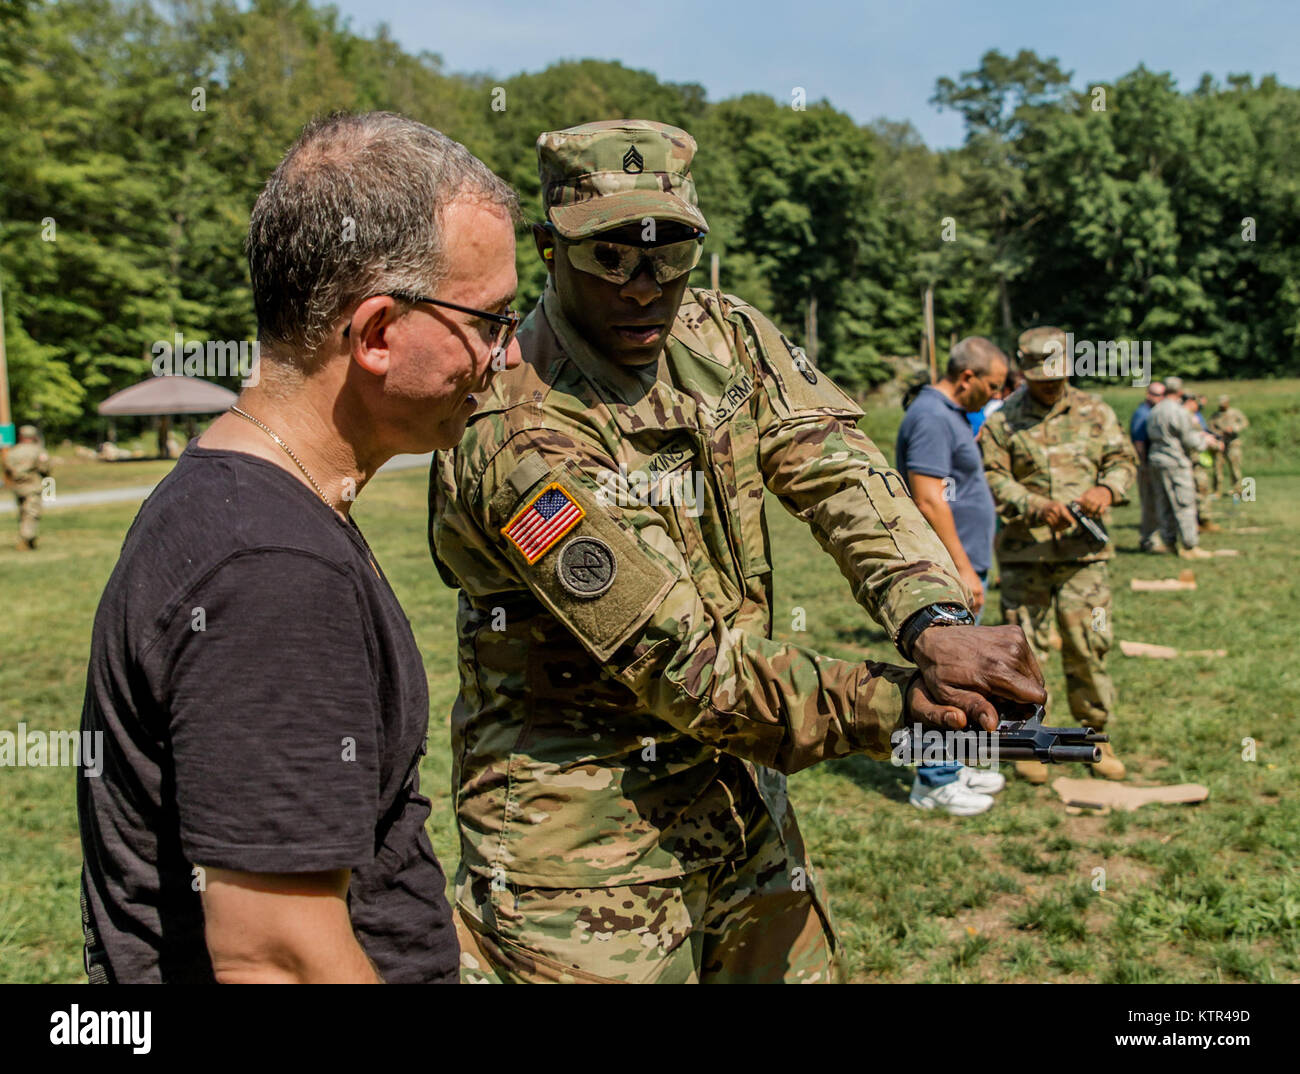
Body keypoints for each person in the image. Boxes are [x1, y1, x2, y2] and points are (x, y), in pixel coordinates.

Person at [429, 118, 1046, 984]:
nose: (645, 288)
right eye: (609, 256)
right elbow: (682, 660)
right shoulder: (517, 433)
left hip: (737, 798)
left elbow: (837, 469)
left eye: (669, 253)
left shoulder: (724, 335)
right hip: (585, 856)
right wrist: (894, 707)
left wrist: (933, 619)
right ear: (547, 249)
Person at [78, 112, 521, 983]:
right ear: (378, 333)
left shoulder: (242, 499)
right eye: (491, 321)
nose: (505, 358)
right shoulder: (272, 571)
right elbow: (278, 959)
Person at [979, 326, 1137, 784]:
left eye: (1056, 377)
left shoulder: (1095, 411)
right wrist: (1034, 506)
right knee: (1024, 655)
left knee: (1088, 646)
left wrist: (1108, 489)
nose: (1049, 385)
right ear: (1024, 373)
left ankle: (1095, 738)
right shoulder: (1002, 421)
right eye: (1040, 378)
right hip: (1026, 555)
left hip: (1084, 556)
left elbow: (1123, 460)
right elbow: (992, 477)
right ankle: (1028, 741)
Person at [895, 337, 1009, 815]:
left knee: (966, 675)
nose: (996, 395)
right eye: (994, 385)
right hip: (944, 571)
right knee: (946, 676)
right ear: (968, 377)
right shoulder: (932, 416)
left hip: (962, 565)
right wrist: (961, 567)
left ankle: (955, 764)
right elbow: (928, 498)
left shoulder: (948, 414)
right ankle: (933, 781)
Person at [1129, 381, 1167, 552]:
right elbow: (1138, 442)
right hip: (1146, 465)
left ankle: (1154, 537)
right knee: (1150, 503)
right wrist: (1143, 465)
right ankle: (1148, 540)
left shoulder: (1152, 412)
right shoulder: (1142, 414)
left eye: (1162, 395)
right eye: (1157, 395)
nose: (1160, 399)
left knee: (1156, 502)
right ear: (1148, 395)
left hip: (1151, 463)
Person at [3, 424, 50, 549]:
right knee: (32, 513)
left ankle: (28, 539)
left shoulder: (13, 451)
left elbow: (7, 468)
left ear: (20, 436)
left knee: (22, 512)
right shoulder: (38, 451)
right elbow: (45, 468)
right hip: (33, 486)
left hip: (18, 487)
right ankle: (27, 538)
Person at [1209, 394, 1248, 493]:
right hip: (1219, 443)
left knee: (1235, 467)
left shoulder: (1235, 413)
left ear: (1228, 403)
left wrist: (1234, 428)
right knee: (1217, 468)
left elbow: (1244, 422)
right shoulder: (1215, 415)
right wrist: (1218, 433)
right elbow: (1210, 428)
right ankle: (1217, 490)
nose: (1222, 406)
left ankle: (1237, 489)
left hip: (1233, 443)